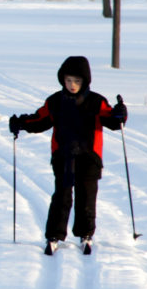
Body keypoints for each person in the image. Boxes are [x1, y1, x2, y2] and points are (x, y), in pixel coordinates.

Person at [8, 56, 127, 255]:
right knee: (62, 197)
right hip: (63, 156)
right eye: (69, 80)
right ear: (62, 80)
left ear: (85, 81)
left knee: (86, 196)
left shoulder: (97, 102)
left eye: (77, 81)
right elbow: (40, 120)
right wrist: (20, 122)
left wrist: (121, 114)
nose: (72, 85)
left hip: (90, 157)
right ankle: (54, 235)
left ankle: (86, 233)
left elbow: (113, 120)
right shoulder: (55, 101)